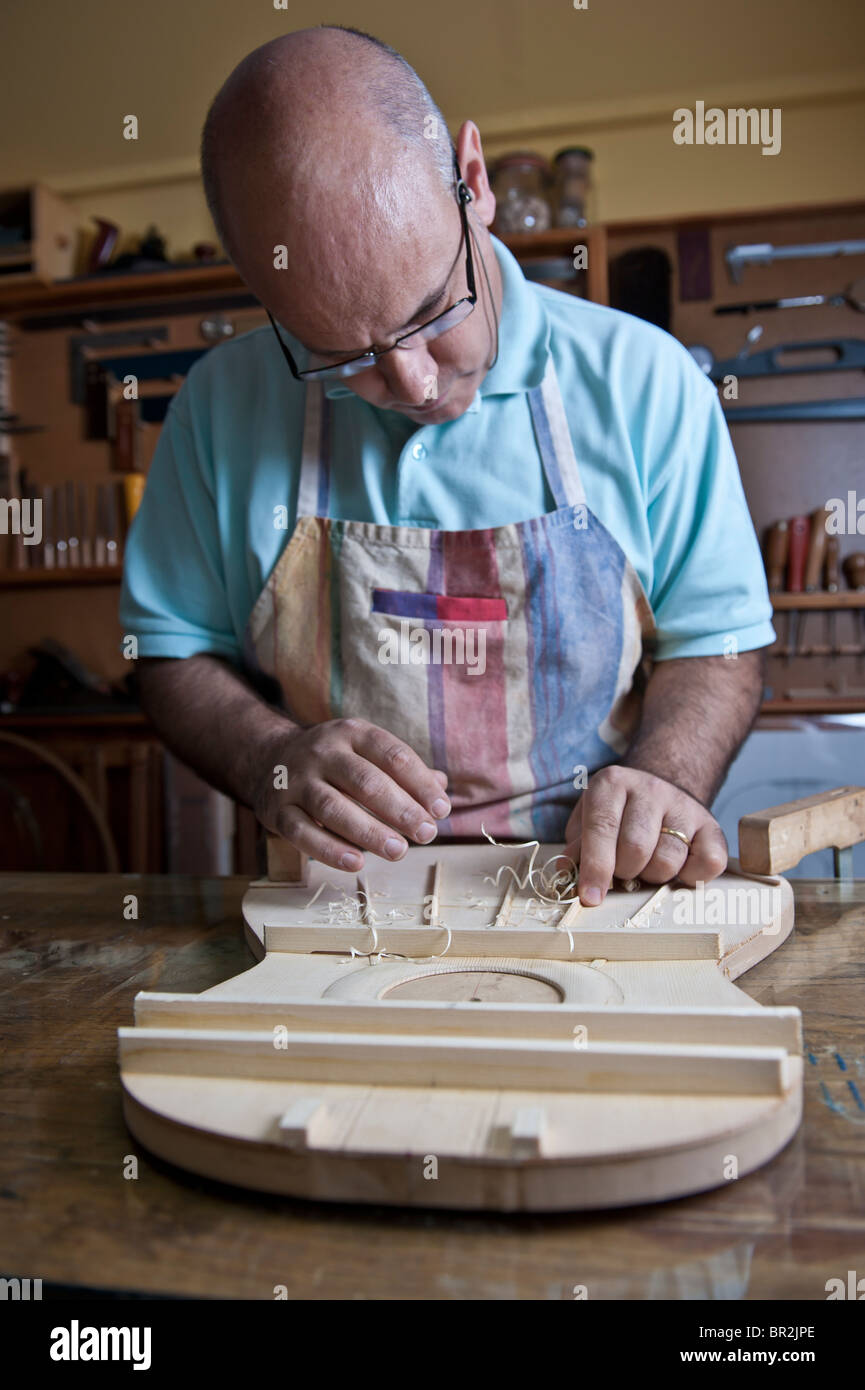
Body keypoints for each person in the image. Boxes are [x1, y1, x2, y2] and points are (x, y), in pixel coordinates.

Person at [120, 25, 775, 906]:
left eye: (434, 311)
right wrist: (267, 757)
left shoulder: (646, 384)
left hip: (590, 894)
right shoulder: (217, 407)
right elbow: (169, 650)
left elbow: (717, 643)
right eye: (339, 353)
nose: (413, 380)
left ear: (473, 183)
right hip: (331, 904)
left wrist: (666, 777)